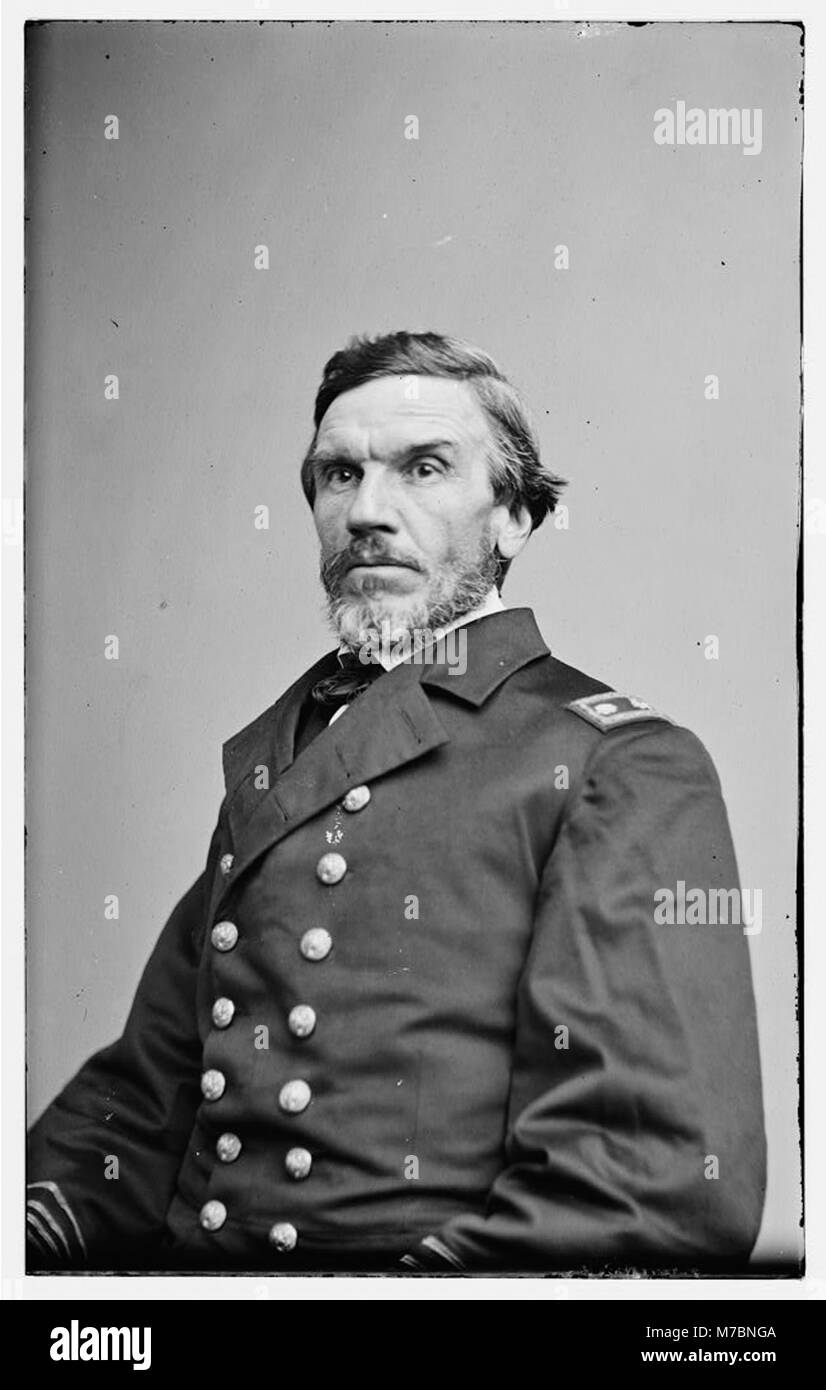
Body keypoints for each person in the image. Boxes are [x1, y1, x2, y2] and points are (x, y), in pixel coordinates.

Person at [27, 331, 766, 1273]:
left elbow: (649, 1185)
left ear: (516, 519)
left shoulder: (617, 765)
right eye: (339, 476)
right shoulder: (284, 761)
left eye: (422, 468)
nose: (367, 511)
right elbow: (138, 1108)